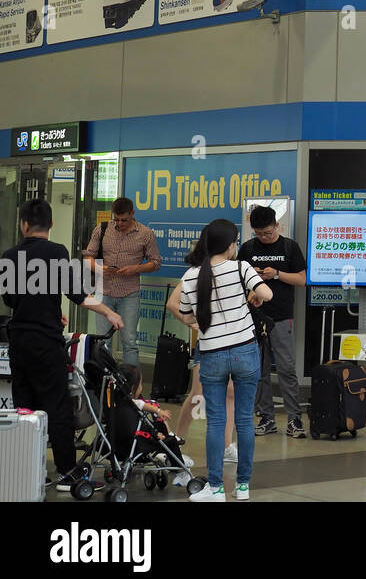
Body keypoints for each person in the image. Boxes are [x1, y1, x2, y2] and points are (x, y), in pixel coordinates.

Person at [0, 198, 123, 492]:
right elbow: (77, 293)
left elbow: (11, 300)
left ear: (24, 224)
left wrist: (45, 308)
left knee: (24, 408)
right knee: (56, 407)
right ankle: (67, 471)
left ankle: (29, 467)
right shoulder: (57, 252)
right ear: (51, 225)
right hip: (46, 342)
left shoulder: (8, 255)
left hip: (19, 341)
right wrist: (108, 311)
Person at [167, 218, 271, 502]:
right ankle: (243, 487)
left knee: (215, 422)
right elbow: (267, 294)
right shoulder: (242, 268)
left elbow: (185, 313)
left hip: (211, 353)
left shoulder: (192, 276)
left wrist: (200, 325)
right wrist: (254, 296)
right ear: (229, 245)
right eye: (236, 242)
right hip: (245, 351)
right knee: (245, 421)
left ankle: (215, 488)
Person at [238, 205, 307, 438]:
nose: (264, 237)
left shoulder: (289, 247)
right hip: (254, 319)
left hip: (281, 317)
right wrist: (253, 280)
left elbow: (301, 279)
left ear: (277, 225)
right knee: (258, 371)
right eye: (259, 234)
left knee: (287, 369)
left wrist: (276, 274)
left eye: (267, 232)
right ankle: (266, 417)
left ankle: (294, 419)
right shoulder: (247, 249)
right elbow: (238, 281)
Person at [82, 197, 161, 367]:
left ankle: (131, 387)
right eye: (116, 219)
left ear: (132, 214)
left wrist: (135, 269)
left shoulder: (146, 234)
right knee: (103, 342)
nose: (119, 223)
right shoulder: (103, 228)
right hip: (104, 293)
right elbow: (88, 257)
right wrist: (100, 268)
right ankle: (104, 384)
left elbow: (156, 262)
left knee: (129, 342)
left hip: (129, 293)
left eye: (124, 220)